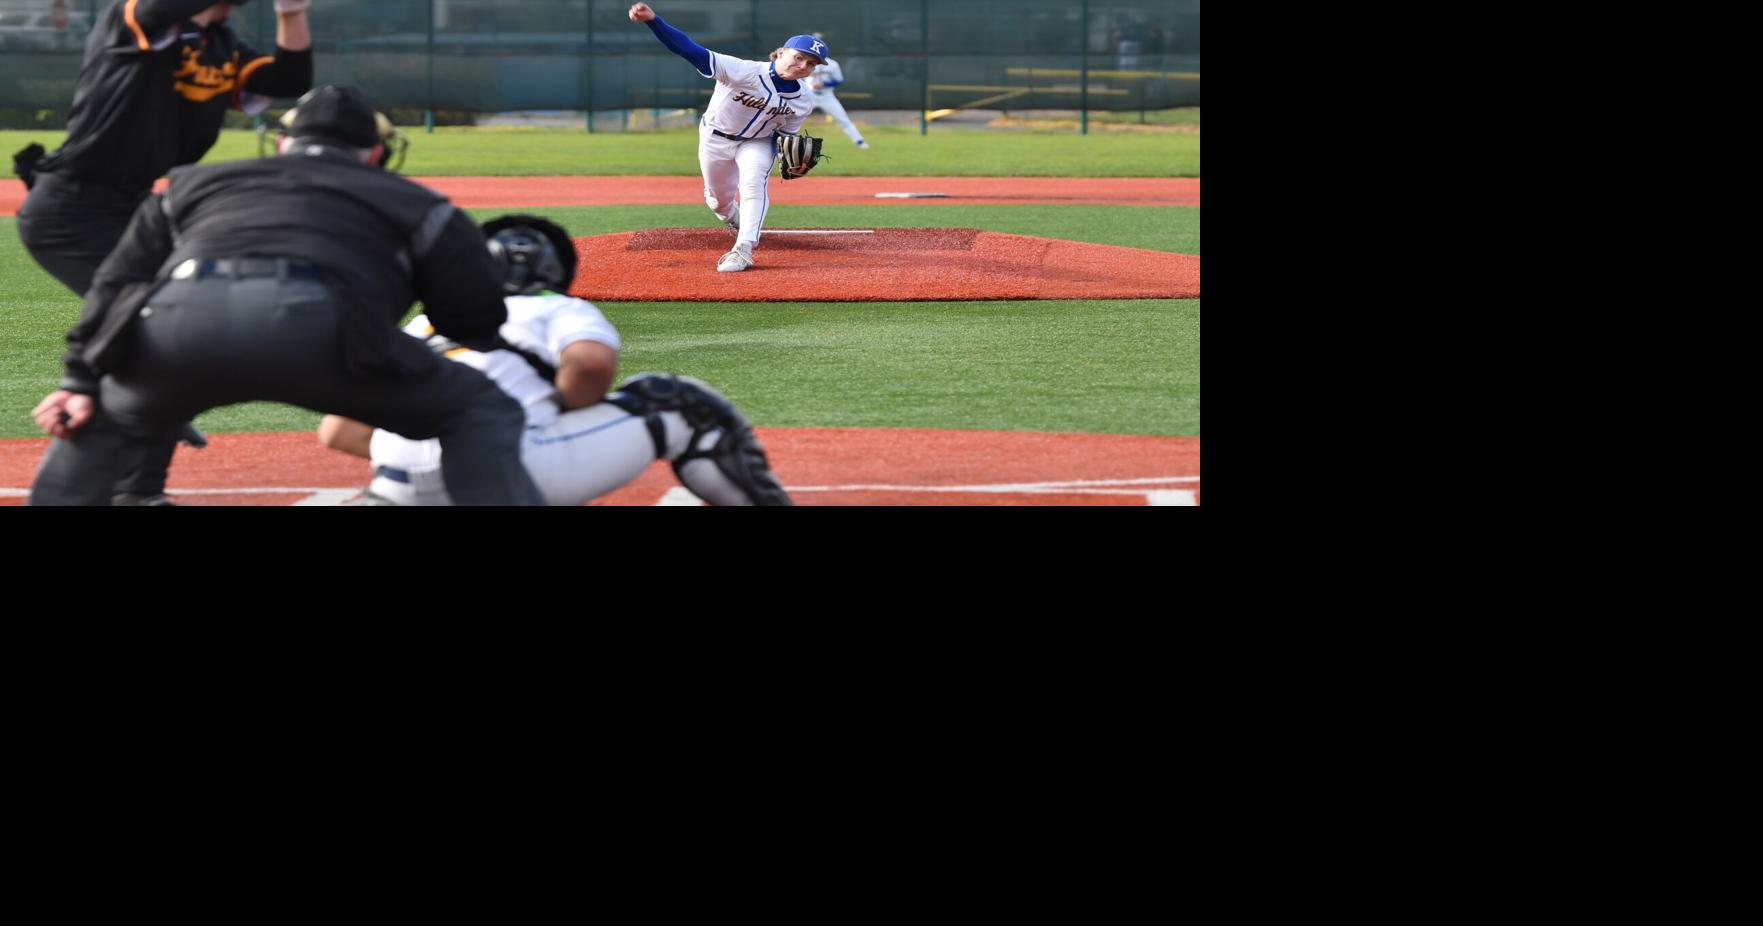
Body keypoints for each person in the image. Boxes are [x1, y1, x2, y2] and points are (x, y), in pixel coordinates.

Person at [27, 85, 547, 507]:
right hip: (329, 332)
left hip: (182, 331)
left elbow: (117, 284)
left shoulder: (191, 184)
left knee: (96, 422)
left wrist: (81, 380)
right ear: (374, 152)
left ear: (282, 143)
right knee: (479, 409)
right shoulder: (418, 202)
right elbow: (470, 315)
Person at [13, 0, 315, 505]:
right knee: (151, 334)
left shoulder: (221, 46)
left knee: (168, 336)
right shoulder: (137, 17)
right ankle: (131, 467)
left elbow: (289, 78)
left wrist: (291, 12)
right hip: (70, 211)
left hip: (132, 208)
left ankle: (144, 460)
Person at [316, 215, 792, 507]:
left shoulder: (424, 324)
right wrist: (554, 417)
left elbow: (338, 431)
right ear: (555, 272)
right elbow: (589, 366)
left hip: (399, 483)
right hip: (512, 473)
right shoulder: (558, 306)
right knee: (679, 402)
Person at [628, 2, 825, 273]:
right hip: (715, 138)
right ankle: (731, 216)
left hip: (757, 142)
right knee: (718, 200)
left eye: (811, 63)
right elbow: (688, 49)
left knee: (754, 182)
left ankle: (743, 248)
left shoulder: (804, 100)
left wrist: (789, 156)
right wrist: (654, 21)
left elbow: (785, 135)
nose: (803, 65)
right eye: (798, 57)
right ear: (780, 52)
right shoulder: (742, 70)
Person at [803, 34, 869, 149]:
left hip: (827, 96)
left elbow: (838, 81)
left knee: (843, 119)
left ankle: (860, 142)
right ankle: (779, 141)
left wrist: (825, 84)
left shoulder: (832, 64)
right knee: (791, 117)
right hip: (809, 95)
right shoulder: (805, 63)